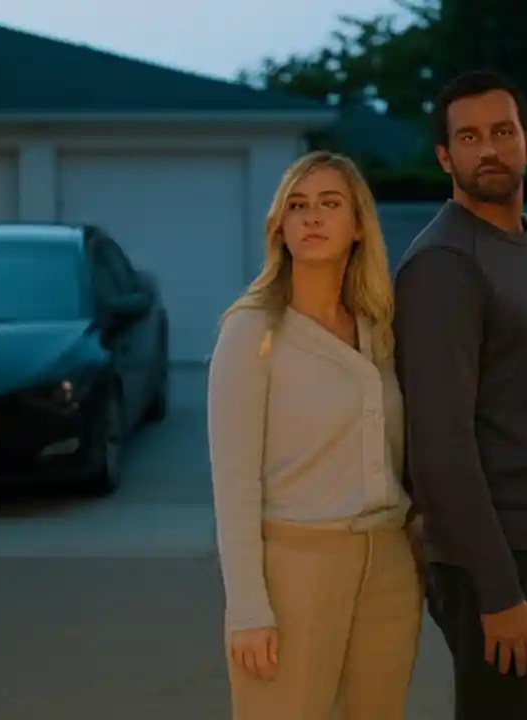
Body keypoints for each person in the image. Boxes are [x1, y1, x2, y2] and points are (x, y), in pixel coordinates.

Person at [393, 69, 527, 719]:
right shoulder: (444, 265)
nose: (489, 149)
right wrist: (498, 590)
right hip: (492, 559)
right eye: (469, 136)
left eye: (502, 132)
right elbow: (439, 448)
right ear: (446, 157)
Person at [206, 150, 423, 719]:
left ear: (357, 227)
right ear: (280, 228)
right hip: (295, 569)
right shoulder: (252, 331)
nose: (312, 217)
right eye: (297, 206)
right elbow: (233, 486)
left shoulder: (379, 330)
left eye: (330, 204)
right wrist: (247, 609)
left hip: (389, 568)